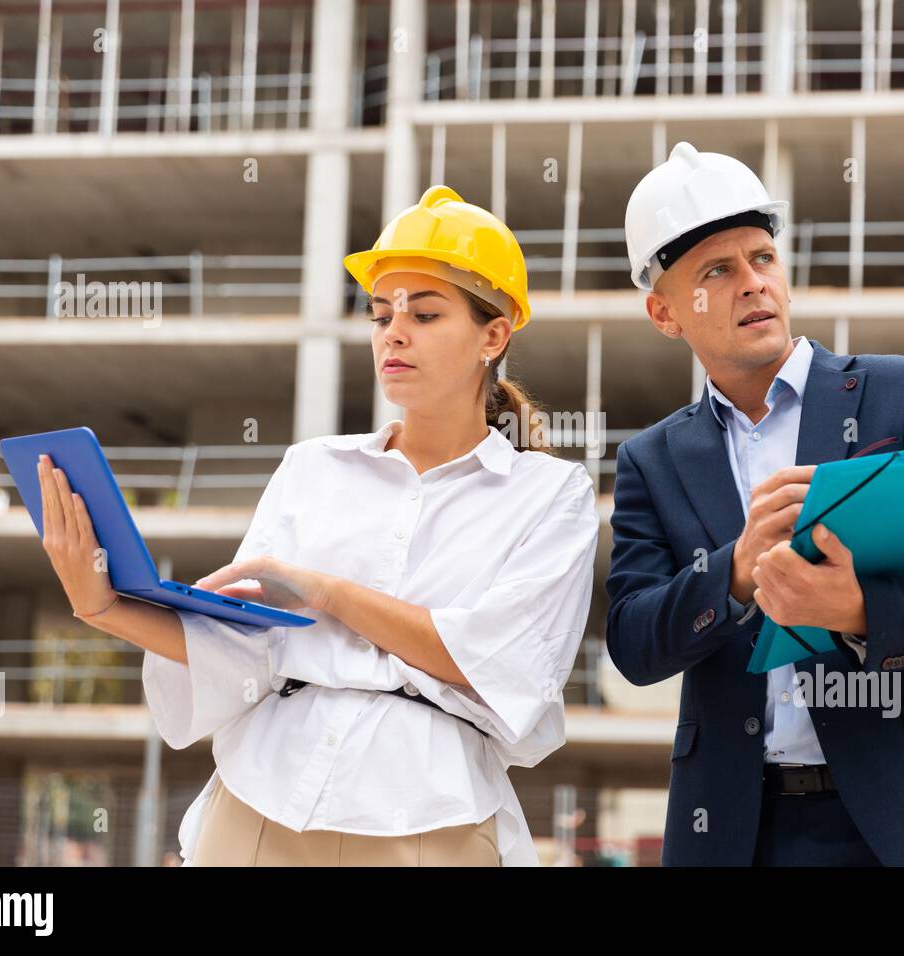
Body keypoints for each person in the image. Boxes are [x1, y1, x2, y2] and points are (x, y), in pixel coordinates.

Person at [34, 185, 599, 866]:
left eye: (424, 313)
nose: (393, 331)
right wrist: (102, 604)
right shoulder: (312, 468)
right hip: (257, 802)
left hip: (429, 816)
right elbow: (241, 650)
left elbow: (499, 664)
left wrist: (327, 594)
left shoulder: (549, 496)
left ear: (494, 335)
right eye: (381, 313)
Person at [606, 141, 904, 866]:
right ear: (665, 312)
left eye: (763, 258)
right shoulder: (652, 460)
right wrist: (734, 575)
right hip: (741, 832)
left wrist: (860, 611)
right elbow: (634, 644)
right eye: (718, 270)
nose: (753, 283)